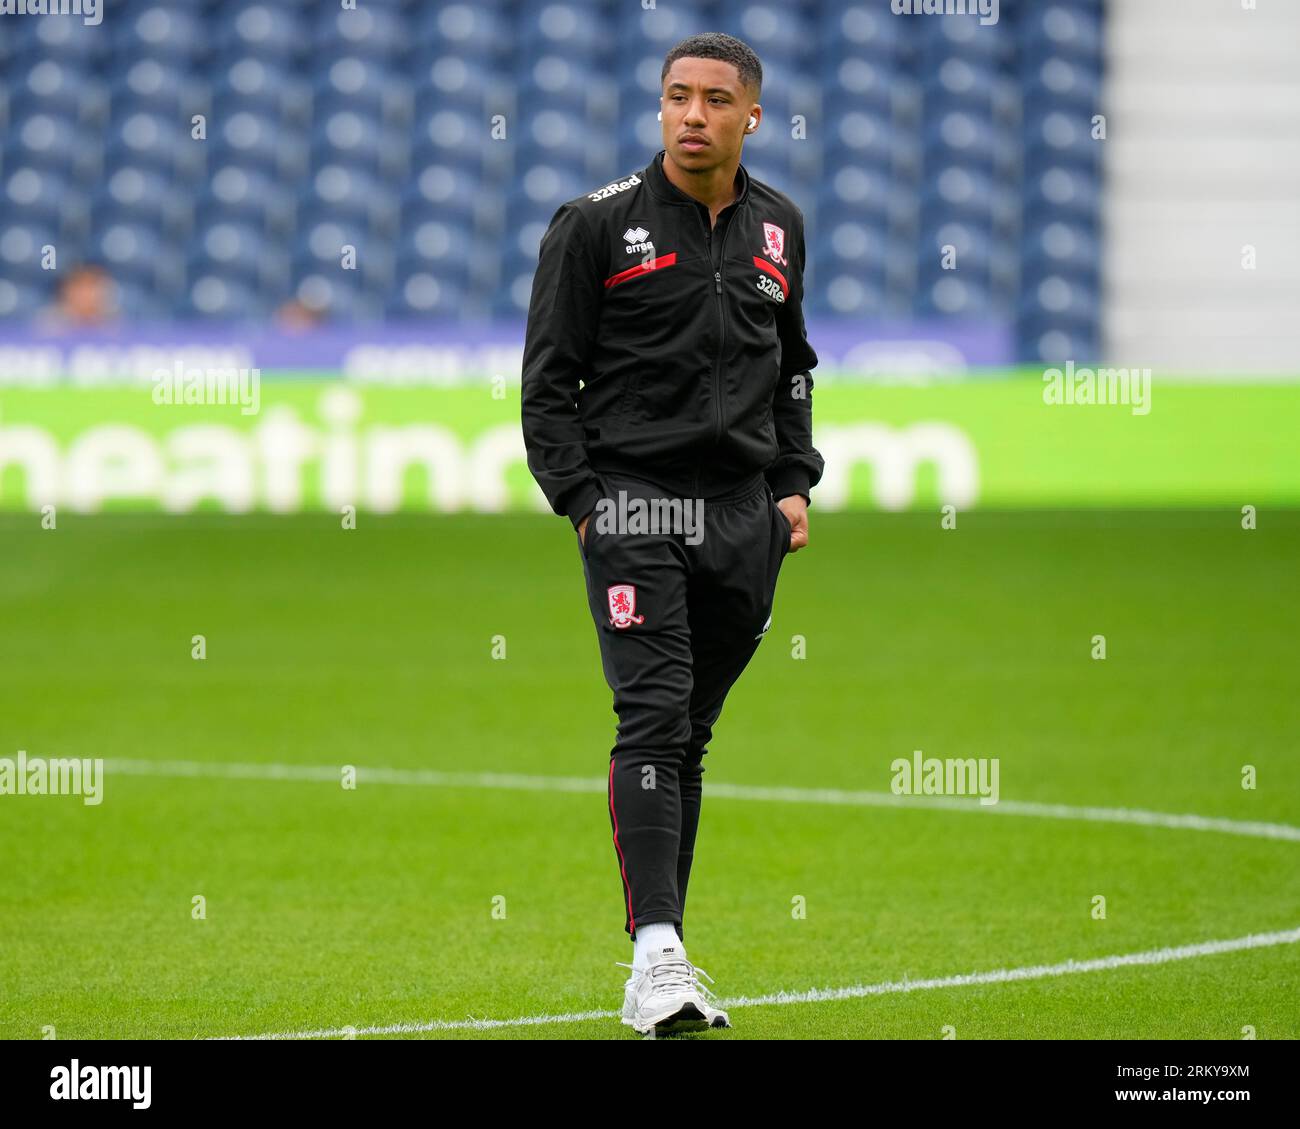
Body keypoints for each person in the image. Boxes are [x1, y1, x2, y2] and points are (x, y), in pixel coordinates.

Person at [521, 32, 824, 1036]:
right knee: (651, 714)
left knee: (688, 734)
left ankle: (665, 950)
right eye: (675, 97)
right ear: (659, 109)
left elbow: (791, 368)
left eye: (712, 100)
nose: (692, 114)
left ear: (750, 117)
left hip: (744, 515)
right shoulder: (593, 225)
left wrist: (790, 483)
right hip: (634, 500)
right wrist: (582, 499)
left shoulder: (780, 229)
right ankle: (657, 955)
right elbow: (547, 381)